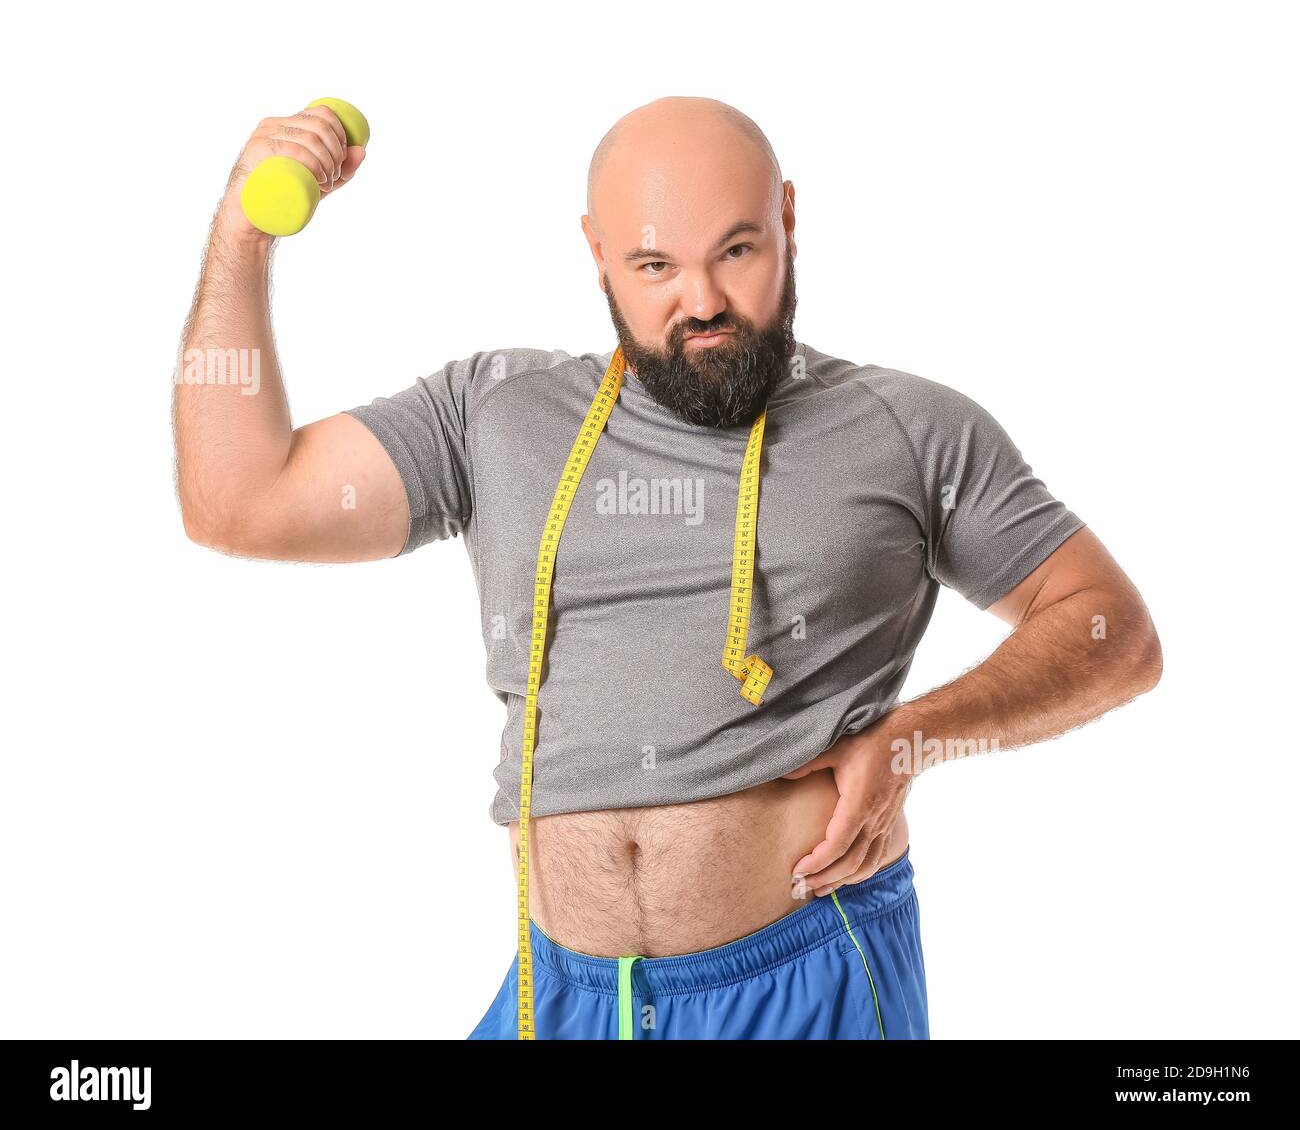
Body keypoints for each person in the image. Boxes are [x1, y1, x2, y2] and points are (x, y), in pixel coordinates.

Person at [173, 95, 1162, 1040]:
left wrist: (918, 736)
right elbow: (237, 502)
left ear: (786, 219)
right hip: (562, 992)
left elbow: (1110, 630)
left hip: (803, 978)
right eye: (654, 265)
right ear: (596, 255)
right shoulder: (495, 414)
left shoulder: (907, 428)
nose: (703, 303)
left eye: (736, 250)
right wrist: (240, 233)